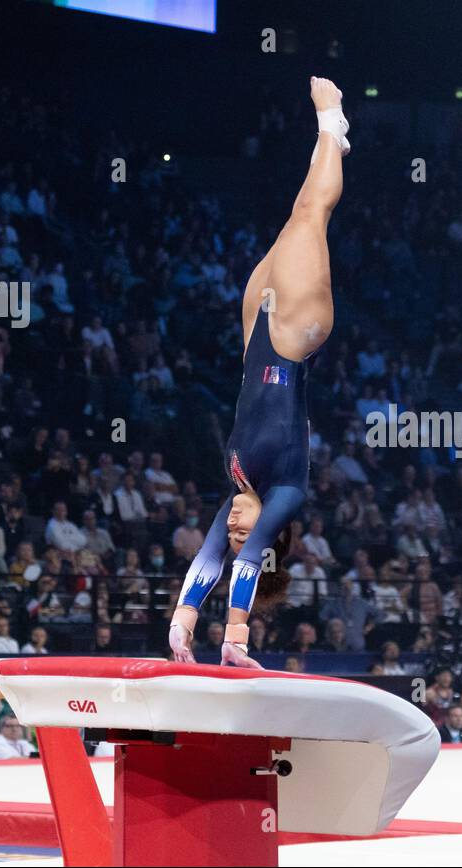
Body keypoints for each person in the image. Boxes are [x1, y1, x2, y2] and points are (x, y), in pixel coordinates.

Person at [170, 78, 350, 669]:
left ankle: (330, 145)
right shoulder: (285, 490)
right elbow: (244, 562)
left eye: (235, 532)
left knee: (290, 224)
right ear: (273, 533)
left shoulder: (237, 489)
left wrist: (183, 623)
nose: (237, 530)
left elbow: (211, 560)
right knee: (309, 213)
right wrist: (234, 638)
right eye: (252, 535)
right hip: (297, 335)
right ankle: (333, 123)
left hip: (255, 335)